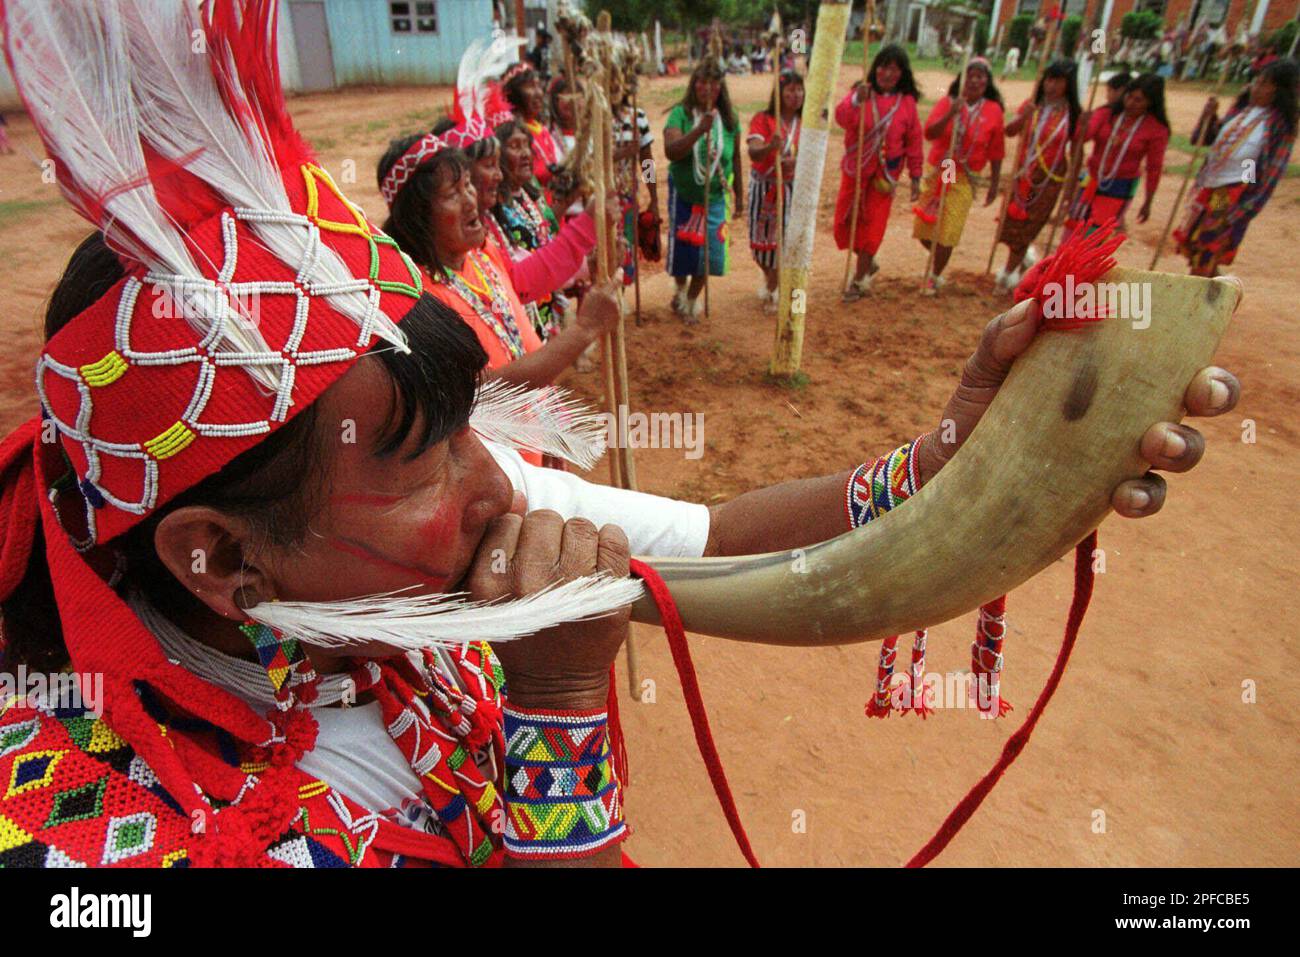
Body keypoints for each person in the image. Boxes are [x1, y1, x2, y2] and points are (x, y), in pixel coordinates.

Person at [0, 0, 1244, 872]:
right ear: (218, 559)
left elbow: (717, 543)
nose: (498, 479)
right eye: (422, 455)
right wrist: (552, 714)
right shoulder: (75, 834)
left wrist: (959, 452)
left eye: (469, 425)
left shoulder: (433, 518)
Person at [378, 125, 617, 390]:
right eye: (452, 193)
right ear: (419, 217)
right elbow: (478, 391)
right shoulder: (422, 299)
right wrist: (583, 330)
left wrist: (588, 228)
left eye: (467, 184)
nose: (470, 199)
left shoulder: (481, 253)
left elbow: (524, 282)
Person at [1175, 59, 1298, 276]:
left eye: (1263, 84)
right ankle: (1221, 290)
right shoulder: (1241, 110)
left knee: (1208, 247)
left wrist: (1243, 199)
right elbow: (1206, 139)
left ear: (1278, 91)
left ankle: (1204, 297)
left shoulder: (1278, 125)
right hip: (1211, 184)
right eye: (1256, 81)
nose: (1255, 87)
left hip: (1229, 191)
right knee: (1196, 245)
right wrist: (1209, 116)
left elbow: (1266, 172)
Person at [833, 44, 923, 301]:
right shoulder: (861, 93)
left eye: (895, 69)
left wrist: (915, 176)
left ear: (902, 73)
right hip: (856, 173)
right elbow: (840, 118)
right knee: (846, 224)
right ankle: (867, 261)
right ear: (876, 68)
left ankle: (859, 280)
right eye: (884, 66)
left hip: (885, 177)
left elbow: (914, 141)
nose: (888, 73)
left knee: (872, 226)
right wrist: (855, 100)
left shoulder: (906, 103)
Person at [912, 57, 1005, 296]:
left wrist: (994, 183)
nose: (975, 80)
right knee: (925, 229)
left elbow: (996, 151)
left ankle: (935, 275)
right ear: (962, 78)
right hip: (941, 170)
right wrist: (950, 114)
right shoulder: (948, 103)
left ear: (987, 81)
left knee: (949, 229)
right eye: (970, 74)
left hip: (964, 176)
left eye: (980, 76)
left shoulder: (994, 111)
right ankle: (937, 257)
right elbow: (930, 133)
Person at [663, 57, 744, 322]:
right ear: (694, 84)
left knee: (709, 253)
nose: (707, 88)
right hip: (684, 195)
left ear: (720, 88)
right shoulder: (681, 114)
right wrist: (699, 130)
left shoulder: (730, 120)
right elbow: (671, 151)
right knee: (684, 252)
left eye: (713, 83)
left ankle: (691, 301)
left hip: (716, 197)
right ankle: (680, 288)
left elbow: (736, 160)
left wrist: (740, 196)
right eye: (702, 82)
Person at [994, 60, 1082, 293]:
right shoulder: (1032, 105)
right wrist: (1024, 118)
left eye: (1058, 81)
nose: (1051, 86)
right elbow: (1010, 131)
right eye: (1049, 79)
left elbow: (1076, 154)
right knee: (1011, 223)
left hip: (1050, 180)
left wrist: (1070, 193)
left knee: (1030, 226)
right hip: (1023, 174)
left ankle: (1008, 274)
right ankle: (1021, 259)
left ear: (1068, 85)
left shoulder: (1072, 114)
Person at [1063, 73, 1170, 241]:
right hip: (1090, 180)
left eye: (1138, 100)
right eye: (1129, 96)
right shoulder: (1106, 113)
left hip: (1120, 187)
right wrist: (1082, 126)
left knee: (1092, 238)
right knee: (1072, 230)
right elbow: (1084, 136)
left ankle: (1079, 267)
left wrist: (1148, 201)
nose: (1130, 103)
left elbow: (1154, 168)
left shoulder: (1156, 129)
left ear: (1150, 103)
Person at [747, 68, 804, 309]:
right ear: (779, 93)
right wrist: (771, 146)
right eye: (790, 89)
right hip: (763, 190)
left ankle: (775, 286)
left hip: (790, 191)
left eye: (799, 89)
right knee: (759, 244)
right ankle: (771, 280)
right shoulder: (763, 119)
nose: (796, 94)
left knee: (783, 240)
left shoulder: (806, 122)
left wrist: (797, 163)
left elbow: (813, 155)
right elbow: (753, 151)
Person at [612, 74, 660, 289]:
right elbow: (592, 158)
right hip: (603, 197)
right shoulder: (597, 117)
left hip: (629, 196)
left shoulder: (637, 117)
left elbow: (646, 160)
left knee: (626, 247)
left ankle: (620, 296)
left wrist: (653, 196)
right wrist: (623, 153)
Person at [500, 61, 562, 189]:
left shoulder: (541, 128)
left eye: (538, 85)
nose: (538, 93)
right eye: (530, 86)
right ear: (512, 93)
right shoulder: (509, 133)